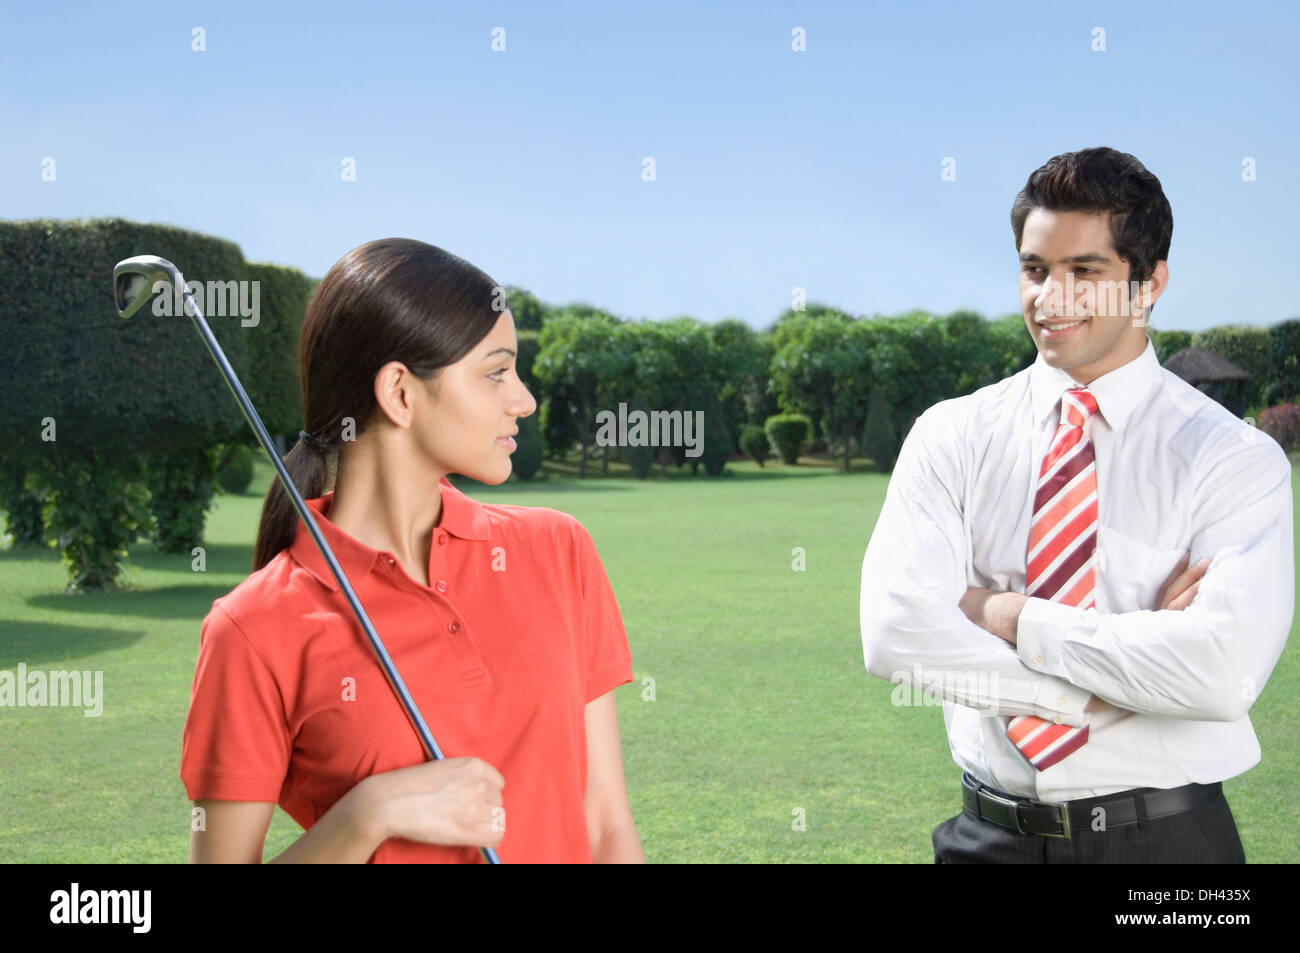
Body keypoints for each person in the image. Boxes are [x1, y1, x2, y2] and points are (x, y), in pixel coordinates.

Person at [860, 147, 1293, 863]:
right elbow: (895, 634)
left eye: (1084, 272)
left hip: (1167, 844)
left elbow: (1220, 672)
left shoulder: (1232, 459)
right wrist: (1094, 688)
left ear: (1149, 282)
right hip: (986, 840)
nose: (1050, 298)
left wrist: (1002, 612)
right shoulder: (951, 435)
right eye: (1035, 270)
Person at [181, 238, 644, 863]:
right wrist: (369, 814)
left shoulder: (558, 551)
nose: (523, 400)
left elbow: (607, 825)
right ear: (399, 392)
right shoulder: (251, 630)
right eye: (496, 372)